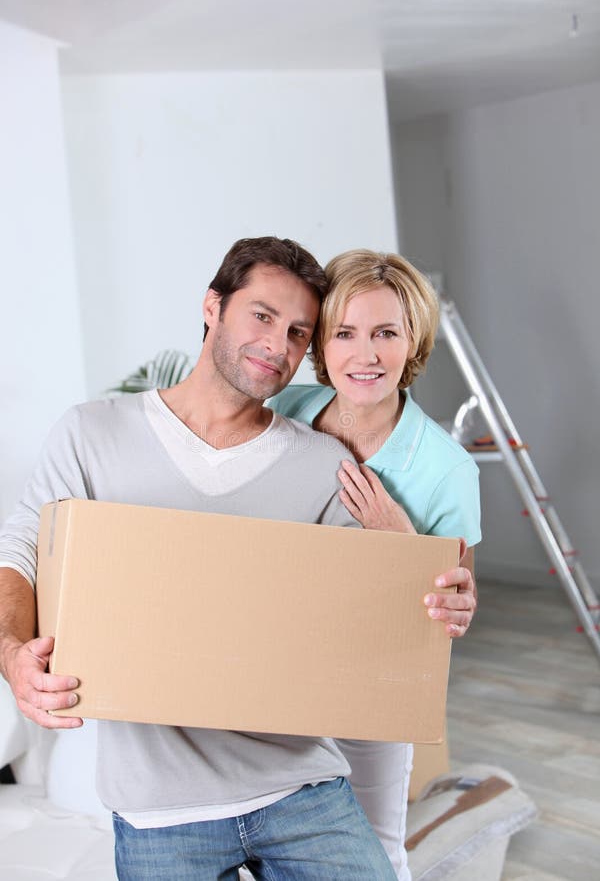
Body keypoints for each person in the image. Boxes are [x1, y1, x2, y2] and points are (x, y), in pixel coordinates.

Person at [0, 236, 473, 881]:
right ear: (212, 307)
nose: (278, 345)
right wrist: (12, 655)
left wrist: (446, 590)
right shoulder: (92, 433)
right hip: (158, 806)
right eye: (262, 316)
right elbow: (23, 546)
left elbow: (383, 614)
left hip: (301, 786)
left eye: (300, 331)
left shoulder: (324, 463)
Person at [270, 248, 481, 880]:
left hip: (376, 682)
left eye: (385, 332)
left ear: (411, 340)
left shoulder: (448, 469)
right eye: (346, 333)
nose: (366, 355)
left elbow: (455, 605)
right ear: (321, 344)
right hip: (282, 664)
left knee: (375, 846)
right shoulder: (283, 414)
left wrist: (403, 541)